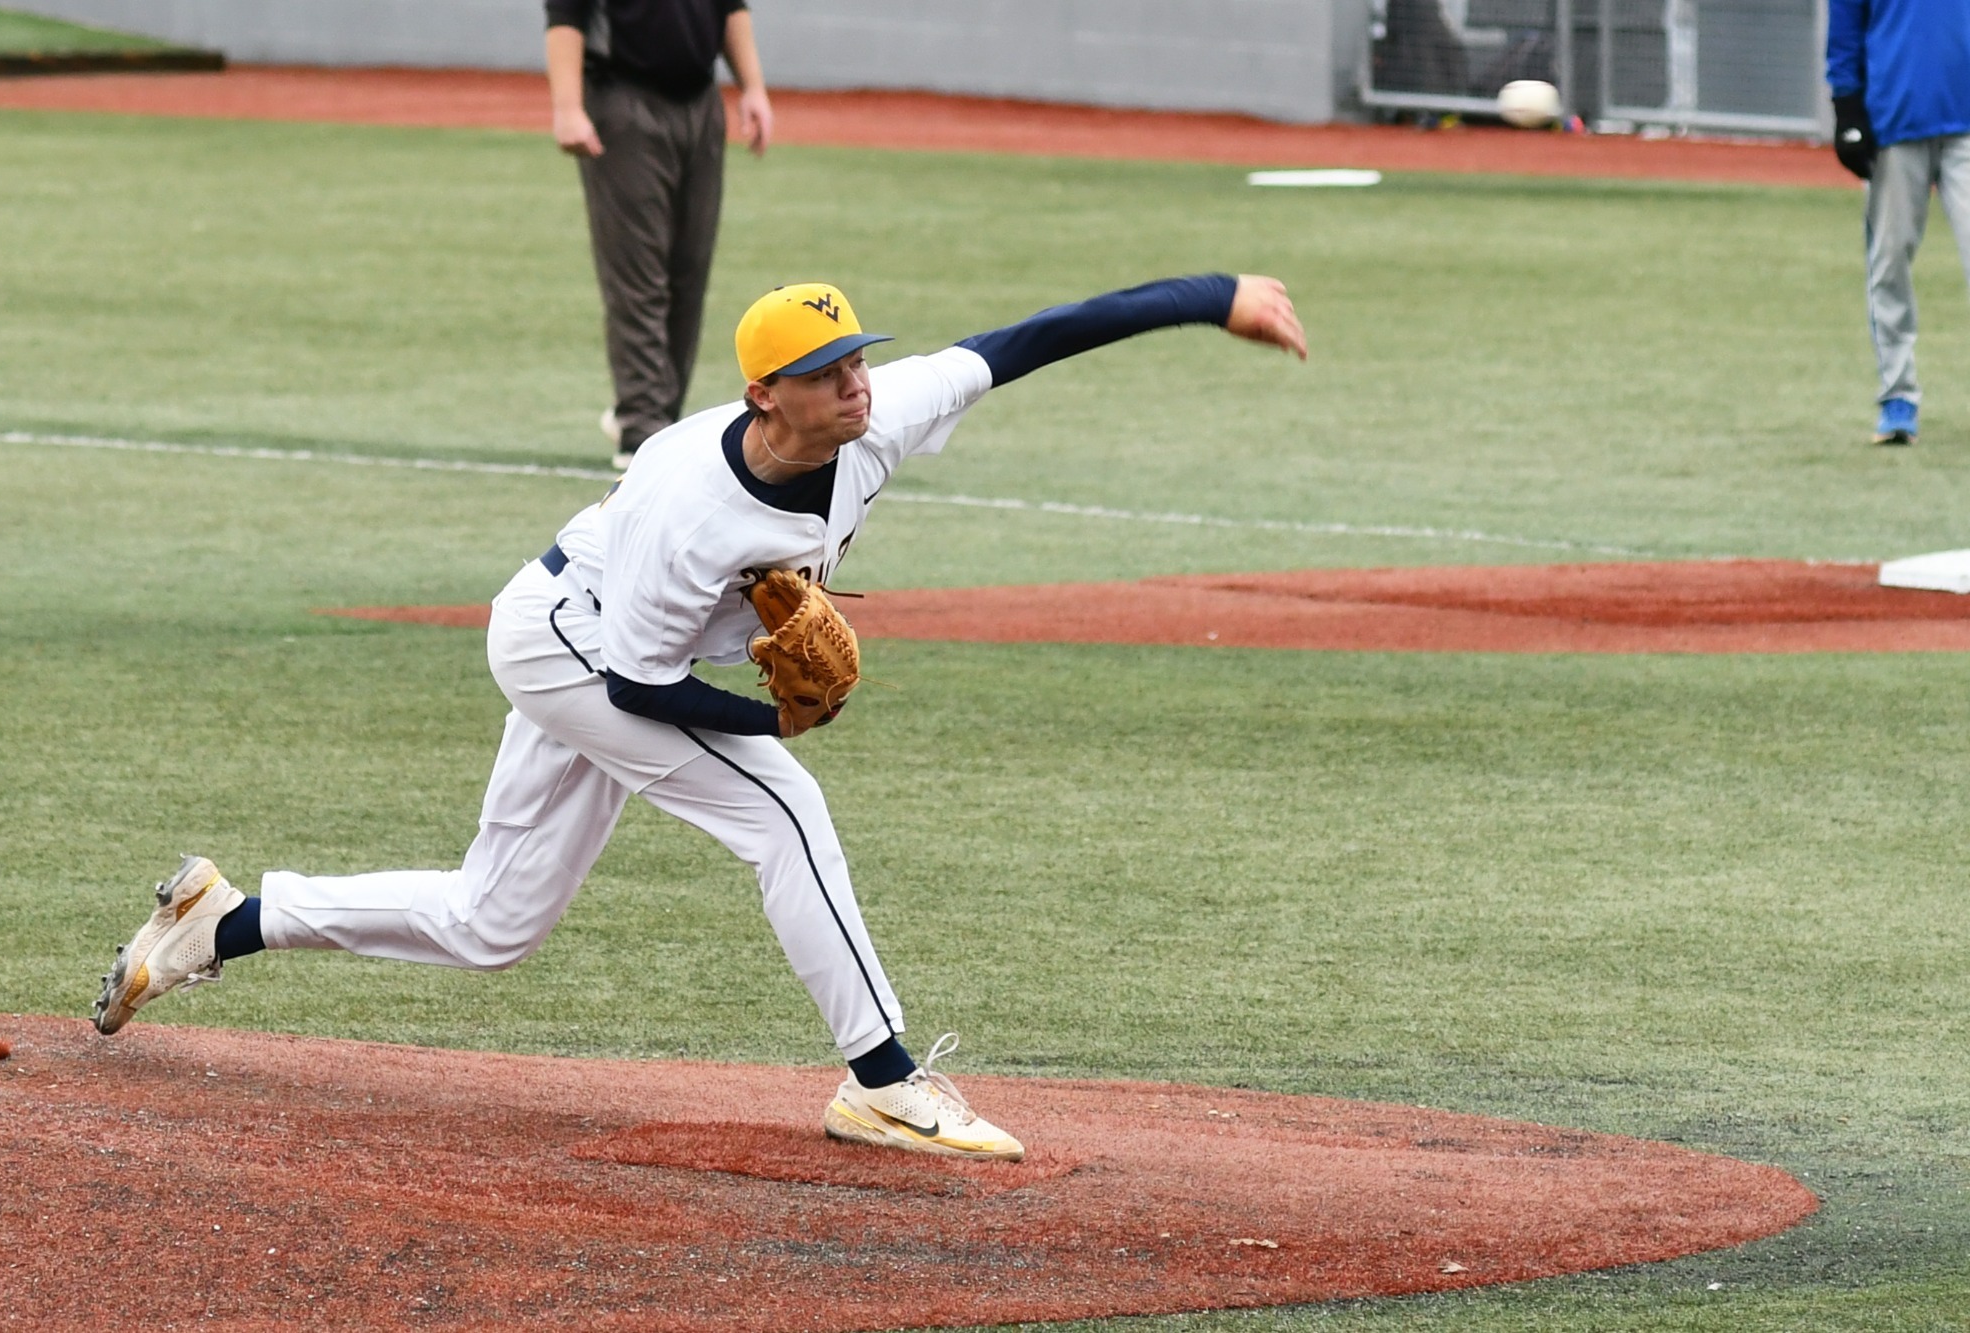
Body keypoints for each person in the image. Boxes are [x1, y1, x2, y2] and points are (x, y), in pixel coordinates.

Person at [91, 274, 1310, 1161]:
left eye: (858, 359)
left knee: (493, 921)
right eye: (829, 373)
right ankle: (882, 1081)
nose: (858, 381)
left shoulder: (876, 416)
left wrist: (1215, 295)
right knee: (782, 808)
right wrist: (771, 725)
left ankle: (225, 923)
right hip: (570, 644)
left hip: (595, 627)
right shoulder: (689, 506)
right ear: (762, 396)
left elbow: (1030, 336)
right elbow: (635, 687)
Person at [545, 0, 774, 470]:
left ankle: (660, 415)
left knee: (689, 272)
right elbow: (566, 13)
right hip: (623, 99)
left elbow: (730, 6)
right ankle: (642, 425)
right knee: (638, 272)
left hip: (700, 101)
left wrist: (752, 86)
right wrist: (568, 106)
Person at [1826, 0, 1970, 445]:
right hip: (1894, 120)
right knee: (1889, 263)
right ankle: (1897, 398)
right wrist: (1847, 107)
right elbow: (1845, 28)